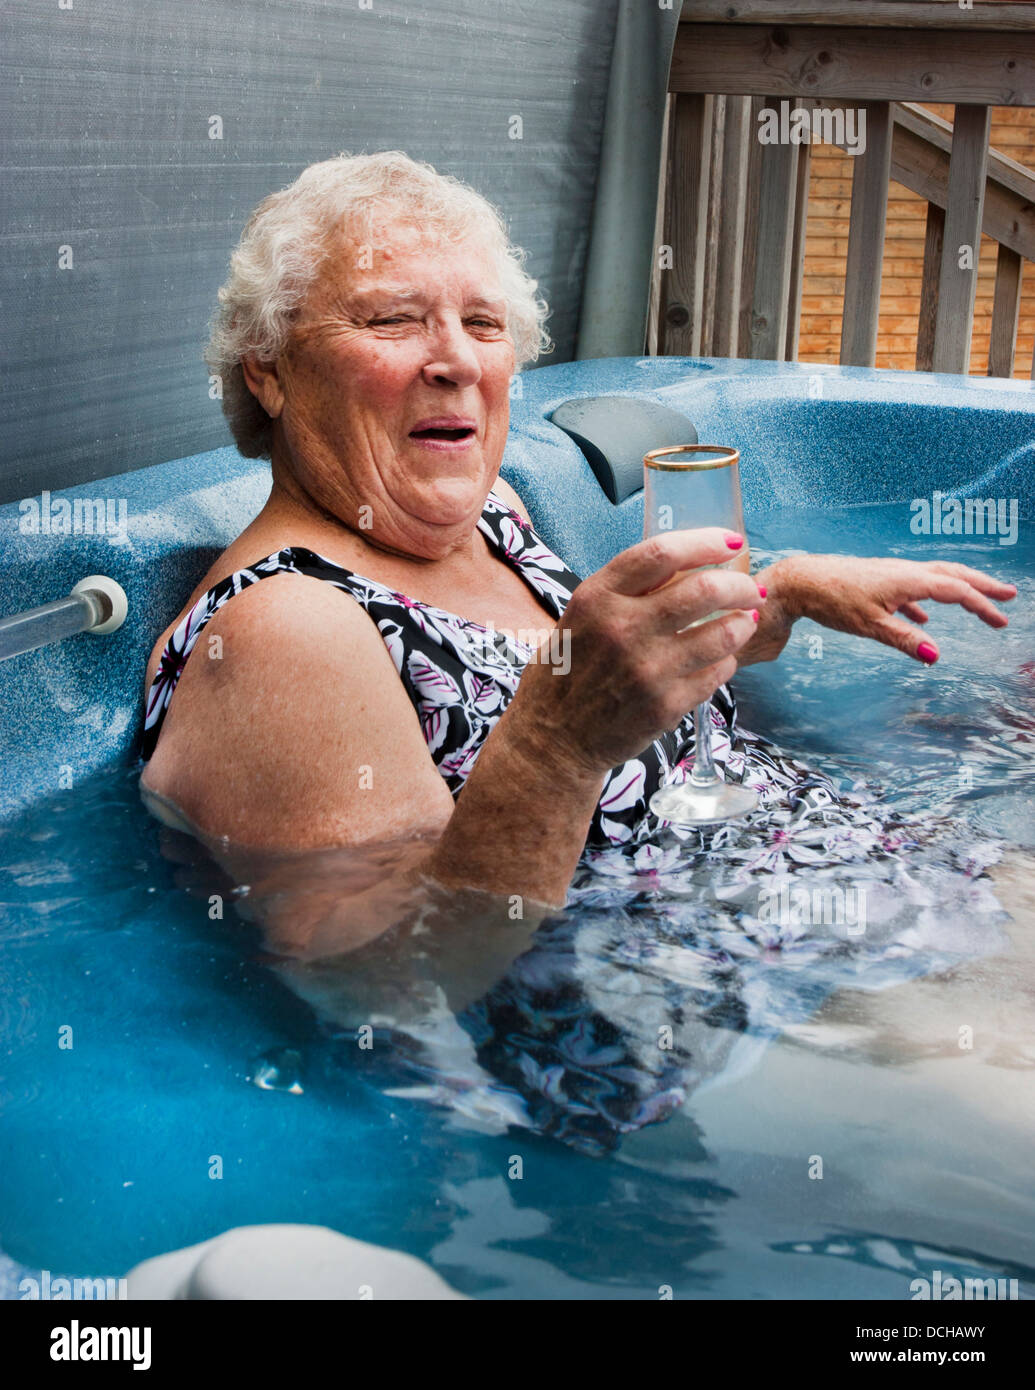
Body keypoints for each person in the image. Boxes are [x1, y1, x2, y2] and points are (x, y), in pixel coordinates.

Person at [139, 150, 1016, 938]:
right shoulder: (284, 630)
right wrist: (552, 751)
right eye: (393, 320)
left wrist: (778, 590)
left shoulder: (492, 518)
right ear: (269, 369)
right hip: (718, 998)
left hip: (852, 884)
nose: (458, 362)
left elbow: (611, 677)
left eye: (483, 326)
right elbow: (393, 981)